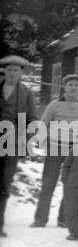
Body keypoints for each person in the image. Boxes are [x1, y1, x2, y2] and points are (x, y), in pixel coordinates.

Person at [32, 72, 78, 229]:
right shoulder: (55, 104)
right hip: (55, 148)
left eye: (76, 85)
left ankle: (64, 219)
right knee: (48, 183)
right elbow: (43, 123)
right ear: (64, 88)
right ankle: (40, 219)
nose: (73, 88)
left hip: (74, 151)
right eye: (70, 85)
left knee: (70, 185)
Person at [0, 55, 41, 237]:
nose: (12, 73)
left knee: (4, 185)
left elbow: (32, 120)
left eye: (16, 71)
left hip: (13, 143)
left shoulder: (26, 93)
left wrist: (26, 143)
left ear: (21, 73)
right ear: (4, 71)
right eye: (9, 70)